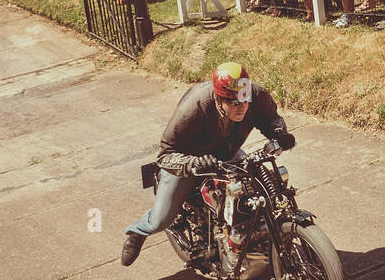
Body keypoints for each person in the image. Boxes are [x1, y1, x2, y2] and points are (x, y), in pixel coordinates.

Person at [120, 62, 294, 267]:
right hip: (188, 158)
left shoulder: (256, 95)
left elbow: (272, 118)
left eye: (245, 99)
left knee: (265, 191)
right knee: (162, 219)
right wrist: (193, 163)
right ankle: (138, 232)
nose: (242, 106)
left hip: (227, 152)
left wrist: (278, 133)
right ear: (219, 100)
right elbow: (165, 155)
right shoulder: (193, 110)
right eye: (234, 102)